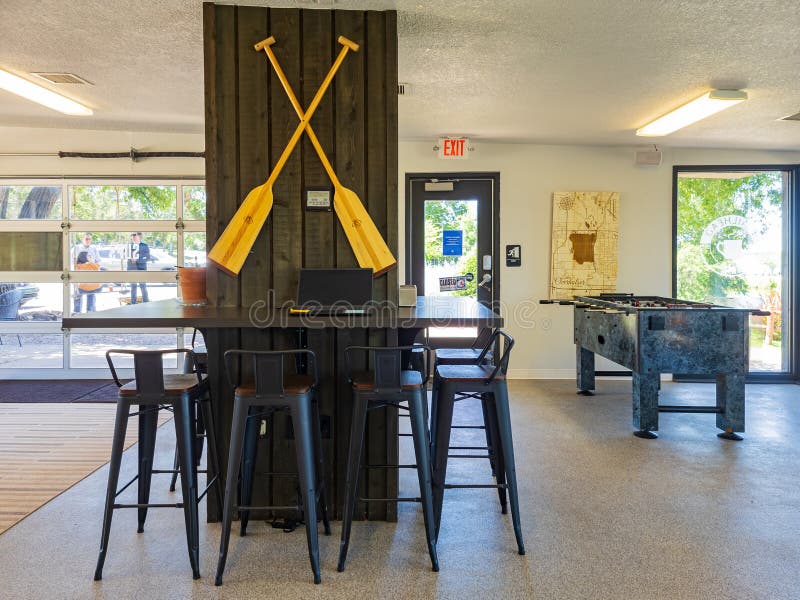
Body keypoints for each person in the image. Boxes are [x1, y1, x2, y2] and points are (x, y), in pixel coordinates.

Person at [128, 232, 150, 304]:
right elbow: (125, 256)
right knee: (133, 287)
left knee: (143, 286)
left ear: (139, 236)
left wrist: (137, 260)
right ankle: (133, 303)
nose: (133, 237)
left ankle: (146, 303)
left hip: (141, 269)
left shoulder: (144, 246)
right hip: (132, 269)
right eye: (132, 235)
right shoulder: (129, 246)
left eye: (135, 235)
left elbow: (147, 258)